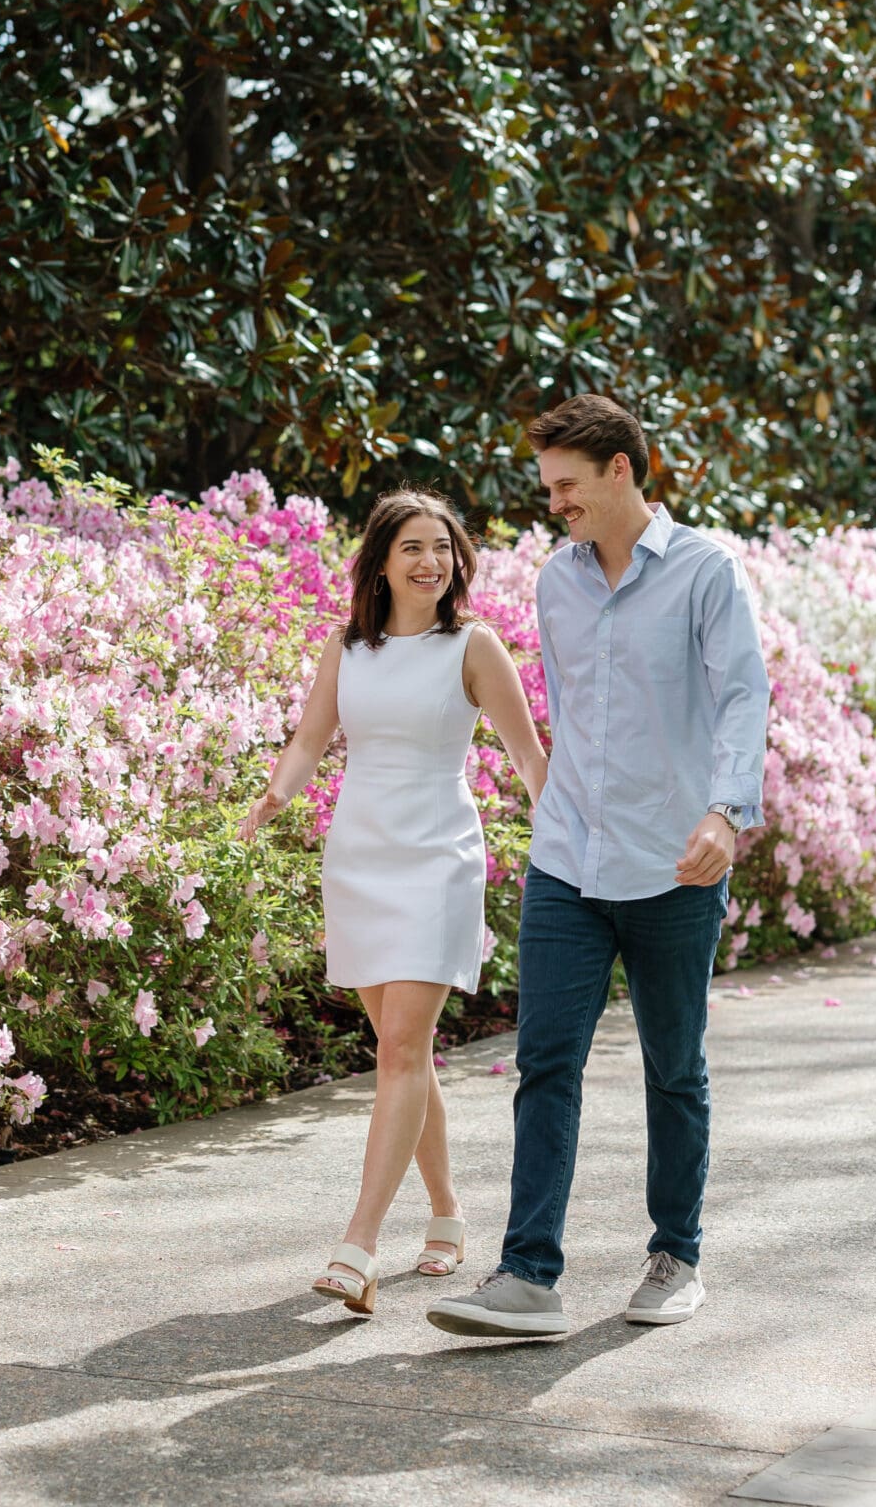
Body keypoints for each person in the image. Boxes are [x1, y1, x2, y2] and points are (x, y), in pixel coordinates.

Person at [428, 395, 770, 1339]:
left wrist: (723, 812)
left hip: (675, 864)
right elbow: (573, 715)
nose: (556, 504)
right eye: (548, 489)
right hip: (569, 859)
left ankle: (675, 1255)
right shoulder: (555, 581)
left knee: (673, 1069)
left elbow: (743, 696)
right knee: (544, 1062)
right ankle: (528, 1275)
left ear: (621, 469)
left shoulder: (705, 570)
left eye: (567, 485)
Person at [240, 488, 548, 1316]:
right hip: (359, 860)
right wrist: (272, 799)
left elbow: (528, 758)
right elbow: (311, 738)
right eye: (411, 547)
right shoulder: (349, 650)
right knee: (400, 1053)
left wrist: (573, 844)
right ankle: (446, 1213)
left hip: (438, 861)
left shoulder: (474, 647)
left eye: (442, 548)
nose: (430, 562)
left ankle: (358, 1246)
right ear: (380, 561)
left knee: (401, 1051)